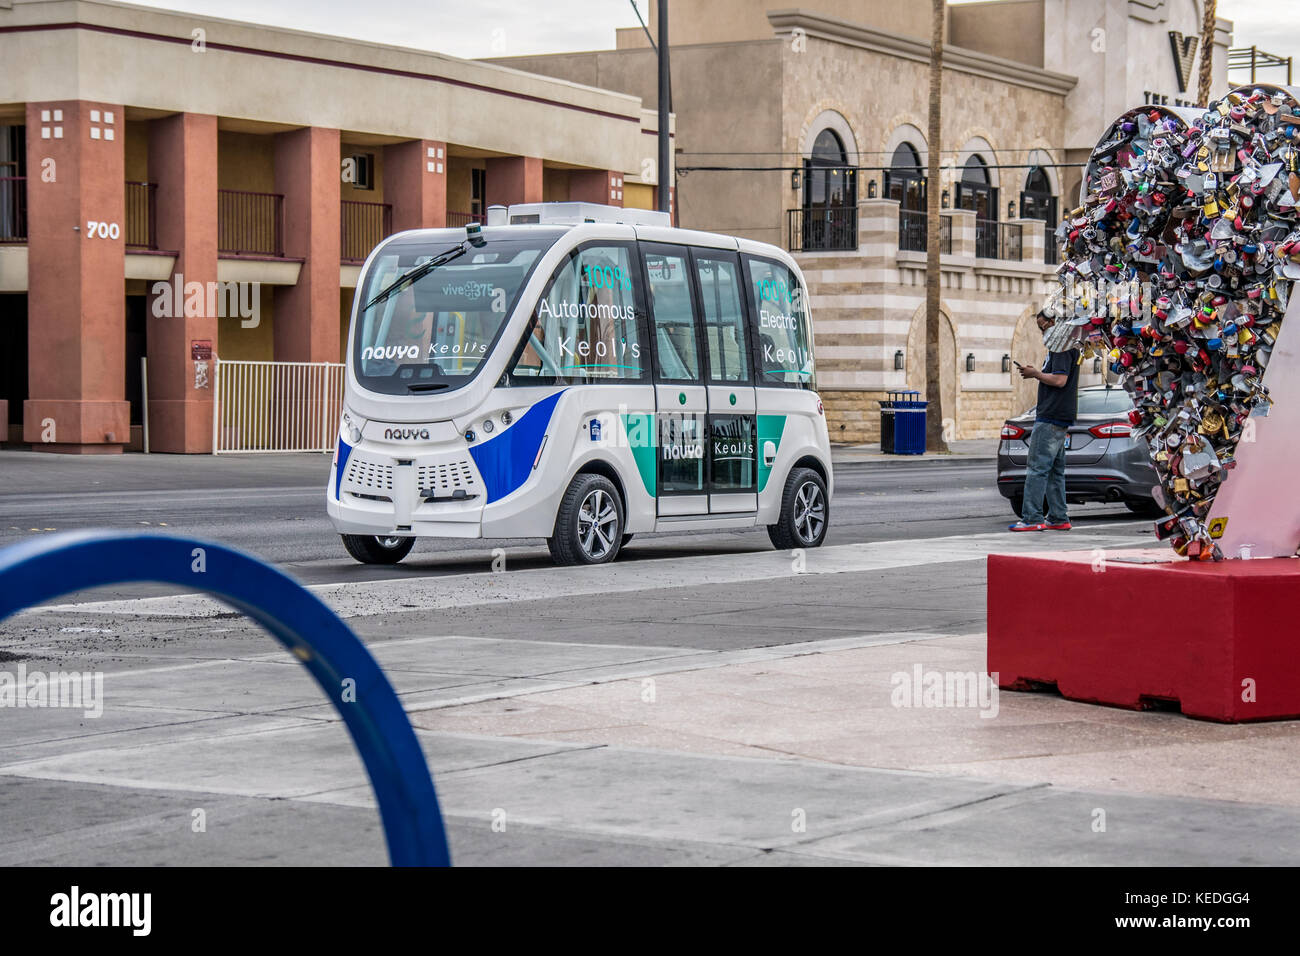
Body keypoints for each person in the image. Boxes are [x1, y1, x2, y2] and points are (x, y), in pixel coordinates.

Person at [1010, 310, 1080, 532]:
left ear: (1055, 322)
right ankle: (1059, 516)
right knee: (1054, 470)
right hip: (1060, 415)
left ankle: (1032, 517)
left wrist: (1035, 373)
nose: (1043, 333)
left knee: (1037, 468)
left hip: (1051, 415)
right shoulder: (1068, 346)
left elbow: (1060, 380)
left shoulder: (1060, 346)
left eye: (1044, 327)